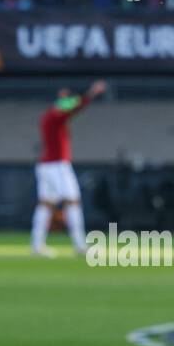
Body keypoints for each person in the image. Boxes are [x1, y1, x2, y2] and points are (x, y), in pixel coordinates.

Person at [32, 79, 106, 257]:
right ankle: (80, 245)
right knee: (72, 201)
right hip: (56, 165)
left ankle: (36, 245)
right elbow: (73, 108)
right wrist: (91, 93)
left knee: (46, 205)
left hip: (45, 165)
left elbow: (70, 108)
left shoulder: (48, 116)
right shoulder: (55, 116)